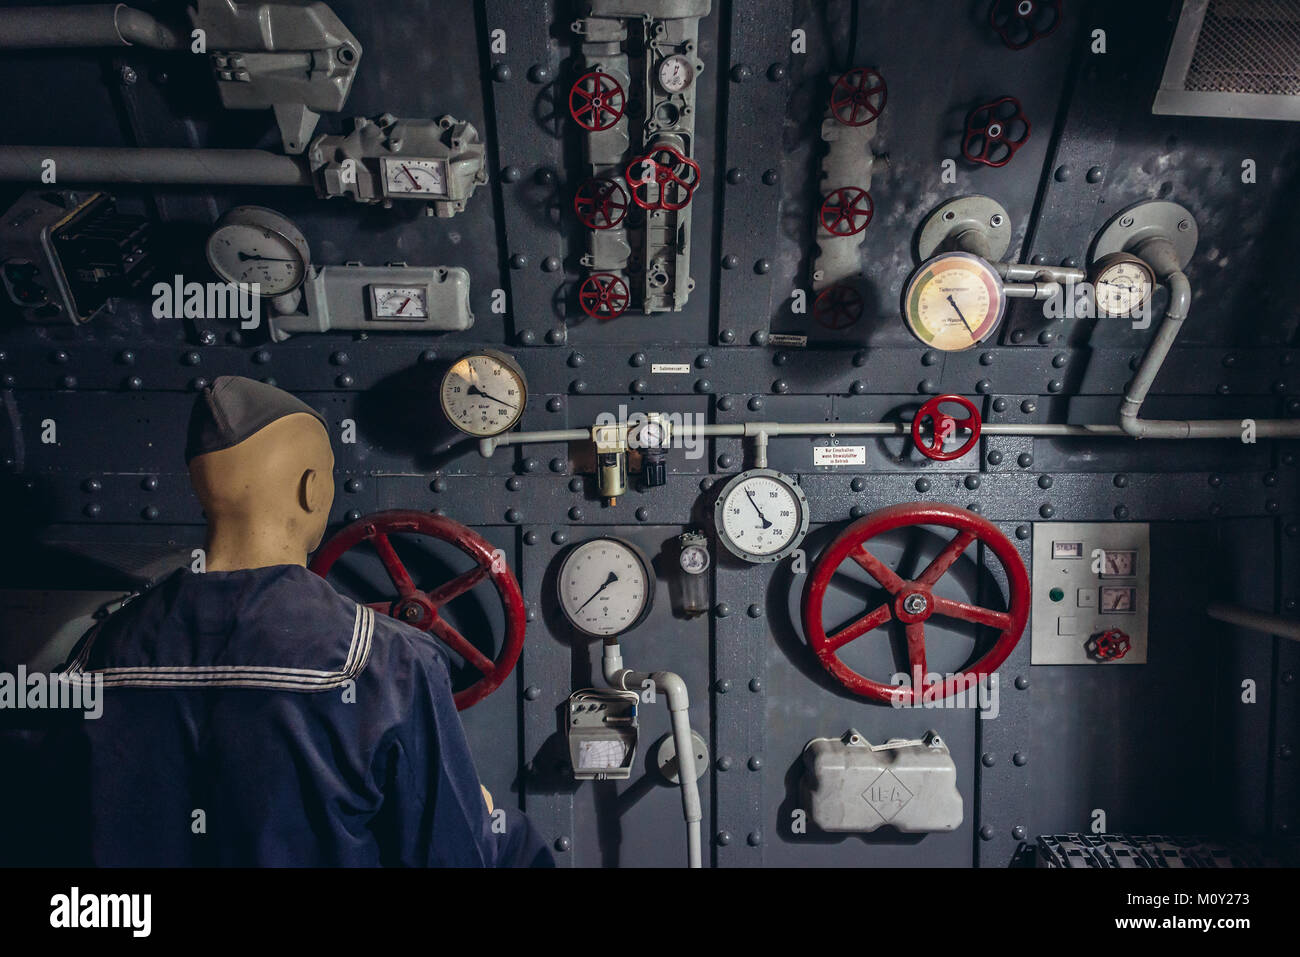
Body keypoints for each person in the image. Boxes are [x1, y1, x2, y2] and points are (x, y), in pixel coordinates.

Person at [41, 375, 552, 866]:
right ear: (312, 489)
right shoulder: (386, 661)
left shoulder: (97, 650)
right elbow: (451, 858)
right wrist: (488, 823)